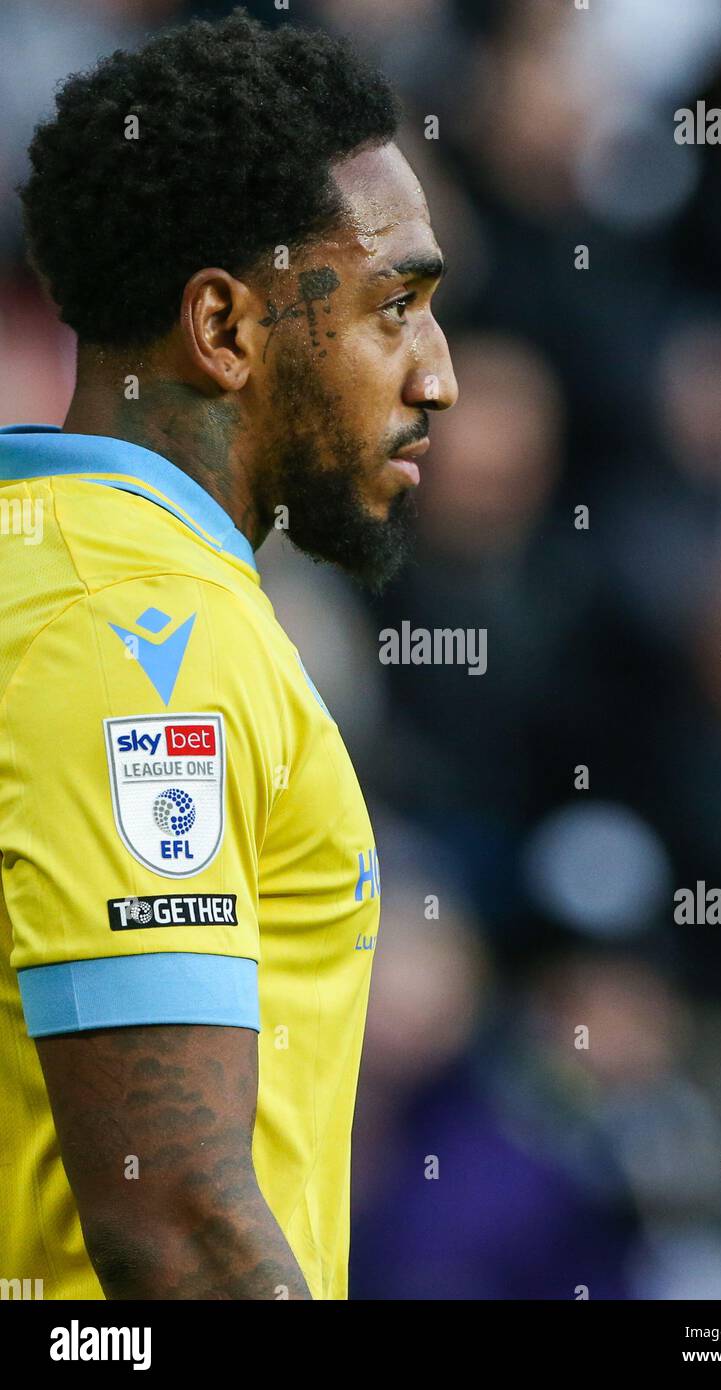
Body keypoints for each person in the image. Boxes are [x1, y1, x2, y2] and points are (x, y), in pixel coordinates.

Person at [0, 10, 457, 1301]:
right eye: (397, 305)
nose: (439, 376)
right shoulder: (136, 637)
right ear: (224, 327)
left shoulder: (54, 572)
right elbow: (179, 1222)